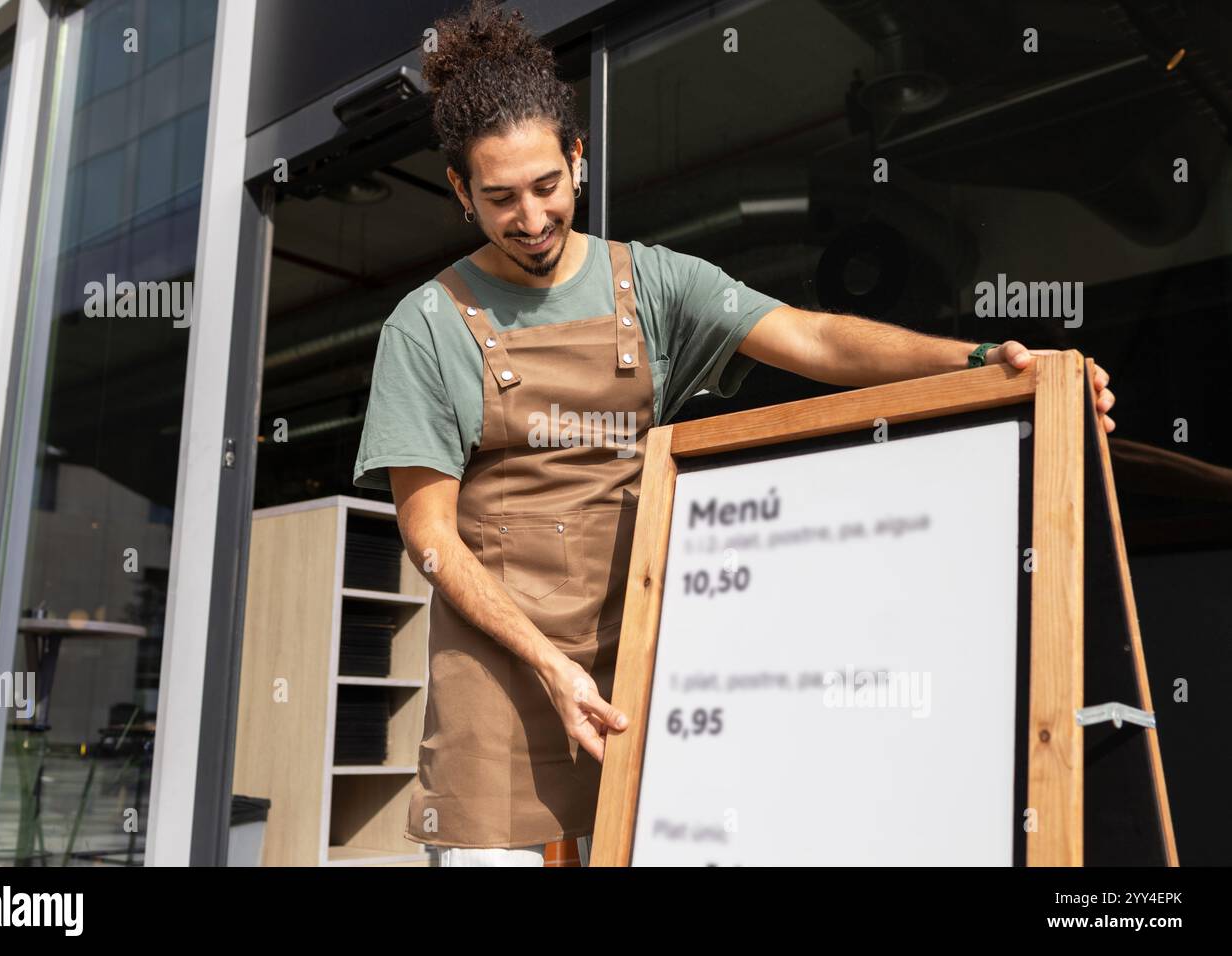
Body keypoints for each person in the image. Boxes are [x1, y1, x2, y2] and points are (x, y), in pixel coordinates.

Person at [352, 0, 1116, 867]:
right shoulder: (428, 324)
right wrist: (550, 668)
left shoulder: (655, 283)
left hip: (640, 660)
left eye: (546, 187)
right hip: (497, 677)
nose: (529, 219)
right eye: (498, 199)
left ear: (578, 157)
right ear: (460, 192)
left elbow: (817, 338)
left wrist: (978, 358)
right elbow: (432, 541)